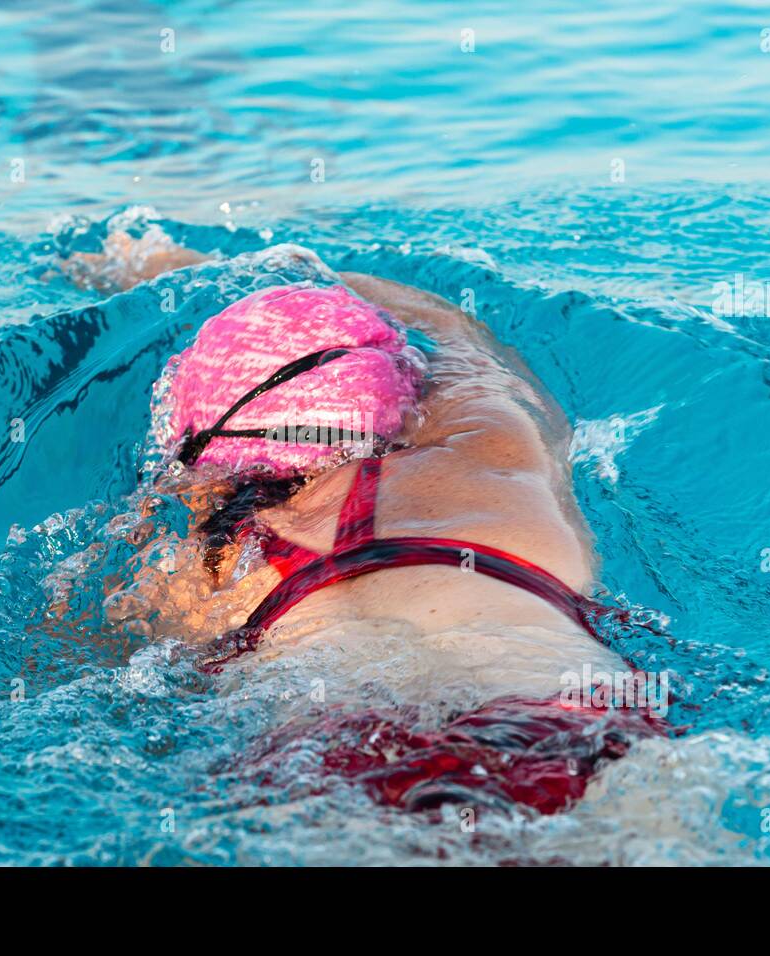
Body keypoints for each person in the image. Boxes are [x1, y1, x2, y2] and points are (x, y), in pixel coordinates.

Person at [59, 232, 666, 813]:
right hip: (552, 719)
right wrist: (291, 268)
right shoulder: (494, 448)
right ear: (397, 391)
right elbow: (456, 332)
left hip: (329, 745)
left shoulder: (198, 565)